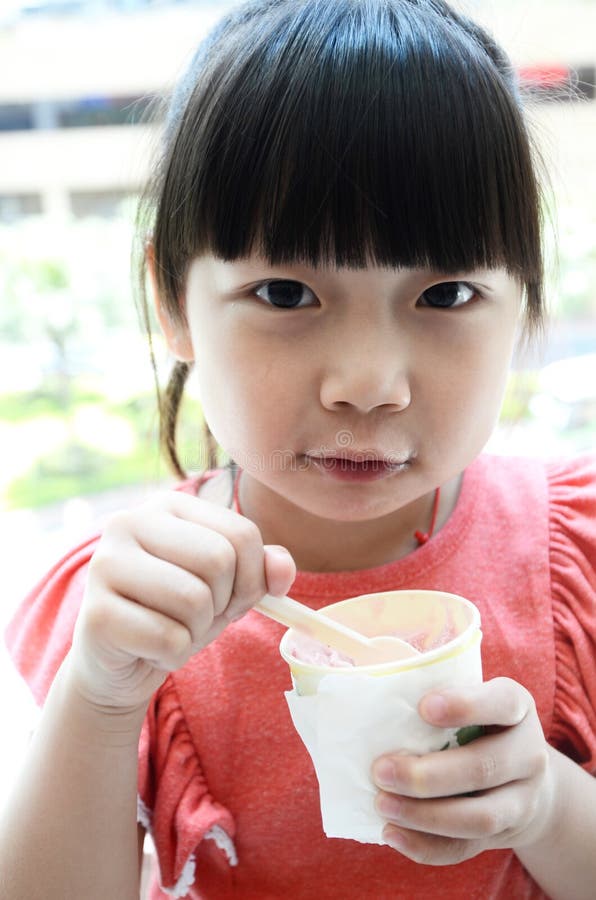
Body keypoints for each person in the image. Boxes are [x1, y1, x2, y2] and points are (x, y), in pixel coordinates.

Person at [1, 0, 595, 897]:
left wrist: (545, 803)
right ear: (172, 302)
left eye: (445, 296)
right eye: (285, 293)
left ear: (524, 304)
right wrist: (102, 693)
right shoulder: (130, 608)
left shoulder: (571, 560)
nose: (367, 382)